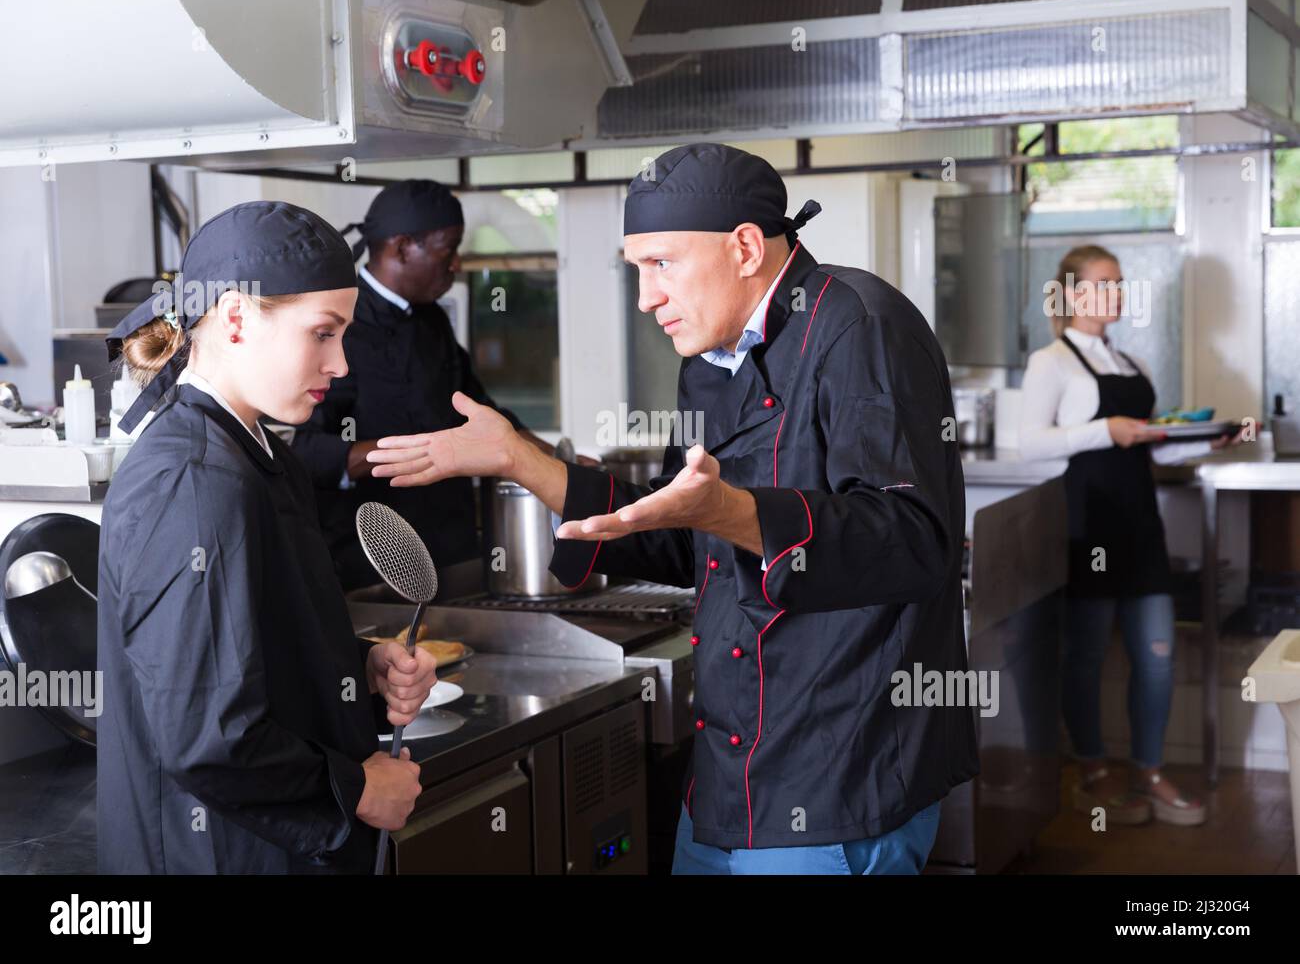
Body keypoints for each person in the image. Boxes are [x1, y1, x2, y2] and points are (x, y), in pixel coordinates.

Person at [365, 144, 978, 874]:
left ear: (745, 248)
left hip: (839, 767)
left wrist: (731, 512)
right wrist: (519, 460)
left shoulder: (861, 326)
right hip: (728, 768)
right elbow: (679, 533)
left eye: (662, 264)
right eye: (636, 269)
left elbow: (913, 541)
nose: (645, 298)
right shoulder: (708, 362)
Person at [97, 201, 436, 873]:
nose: (341, 364)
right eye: (322, 333)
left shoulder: (261, 456)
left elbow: (256, 650)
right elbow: (206, 734)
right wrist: (356, 790)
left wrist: (360, 673)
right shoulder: (193, 481)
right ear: (235, 319)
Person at [1020, 244, 1239, 827]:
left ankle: (1148, 771)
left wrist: (1208, 440)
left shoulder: (1132, 363)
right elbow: (1030, 443)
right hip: (1087, 530)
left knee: (1158, 657)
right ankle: (1092, 771)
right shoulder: (1051, 362)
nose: (1117, 294)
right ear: (1071, 294)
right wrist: (1105, 429)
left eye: (1120, 284)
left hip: (1141, 529)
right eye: (1105, 284)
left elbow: (1153, 445)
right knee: (1086, 657)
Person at [291, 180, 565, 589]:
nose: (456, 264)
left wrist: (558, 461)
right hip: (372, 567)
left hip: (455, 556)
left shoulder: (433, 319)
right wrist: (425, 451)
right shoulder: (337, 326)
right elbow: (308, 451)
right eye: (447, 250)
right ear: (402, 248)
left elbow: (482, 412)